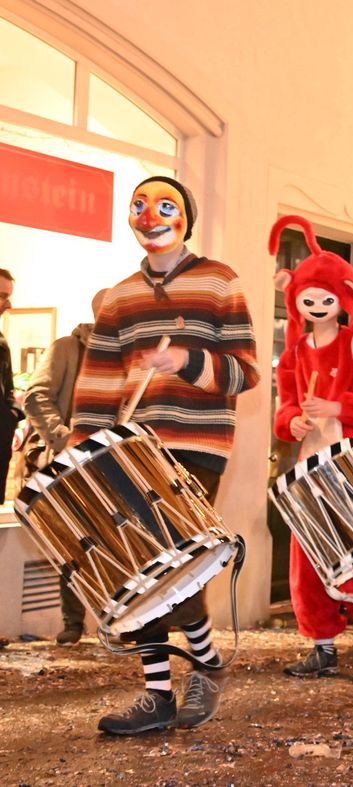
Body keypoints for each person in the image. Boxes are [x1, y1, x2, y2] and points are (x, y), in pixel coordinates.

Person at [70, 176, 259, 734]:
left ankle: (202, 668)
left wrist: (188, 361)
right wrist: (85, 449)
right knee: (137, 570)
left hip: (197, 445)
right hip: (131, 451)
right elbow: (98, 380)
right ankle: (162, 692)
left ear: (186, 216)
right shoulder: (120, 295)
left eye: (164, 205)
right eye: (138, 206)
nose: (149, 215)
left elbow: (244, 373)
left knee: (177, 564)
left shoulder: (220, 283)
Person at [269, 215, 353, 681]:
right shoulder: (294, 353)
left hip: (350, 464)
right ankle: (321, 645)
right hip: (308, 468)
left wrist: (338, 406)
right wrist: (291, 421)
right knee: (307, 557)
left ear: (343, 302)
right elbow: (284, 407)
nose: (316, 307)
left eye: (325, 300)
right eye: (307, 300)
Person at [23, 287, 108, 645]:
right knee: (72, 543)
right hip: (68, 461)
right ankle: (73, 621)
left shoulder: (126, 358)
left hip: (107, 462)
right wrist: (62, 437)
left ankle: (112, 619)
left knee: (112, 542)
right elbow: (35, 395)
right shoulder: (67, 348)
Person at [0, 269, 21, 504]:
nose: (9, 305)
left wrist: (11, 414)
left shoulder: (1, 341)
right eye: (2, 296)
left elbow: (8, 386)